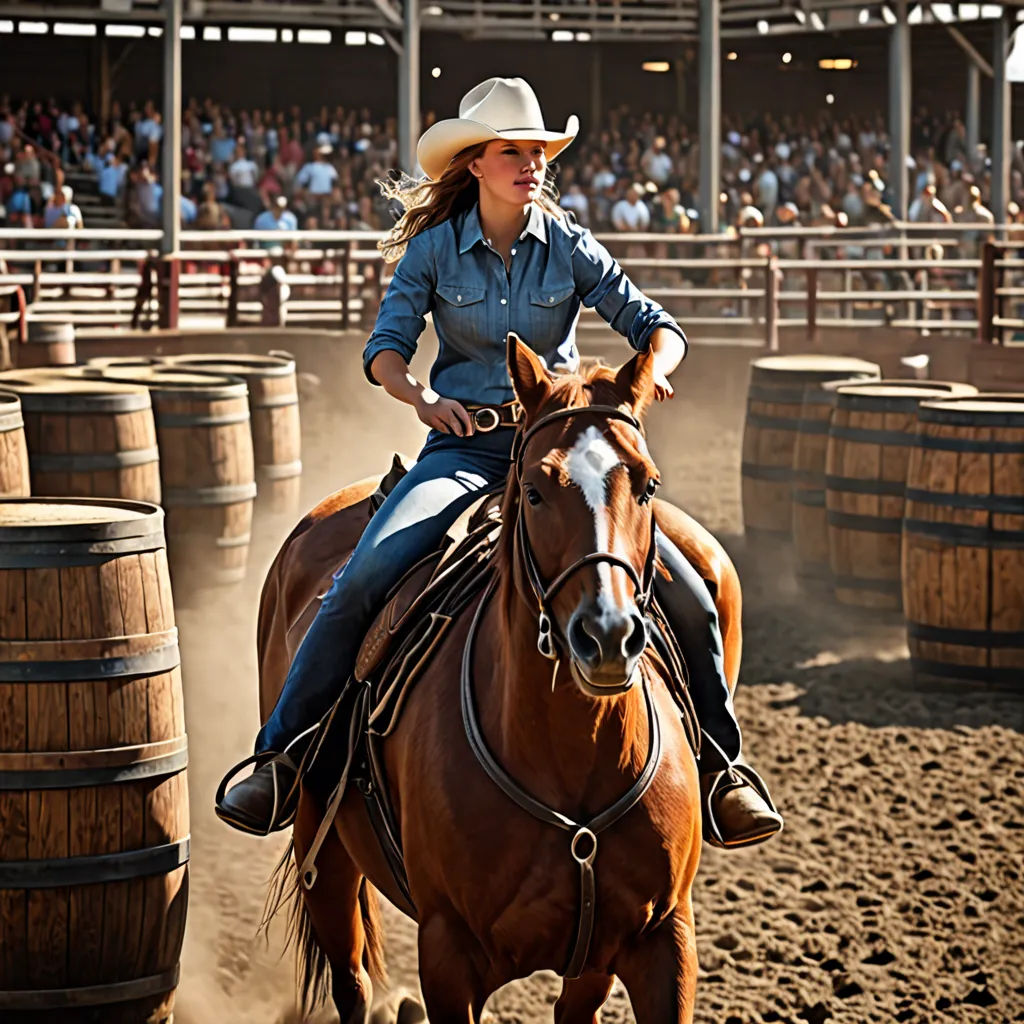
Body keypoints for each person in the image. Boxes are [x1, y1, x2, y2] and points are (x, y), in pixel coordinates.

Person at [215, 76, 783, 850]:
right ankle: (281, 756)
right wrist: (419, 398)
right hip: (465, 450)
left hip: (562, 455)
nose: (532, 164)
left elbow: (656, 323)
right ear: (475, 163)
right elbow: (385, 349)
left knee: (694, 595)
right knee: (363, 580)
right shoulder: (434, 249)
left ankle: (723, 772)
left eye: (540, 150)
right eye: (514, 151)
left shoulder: (571, 244)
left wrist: (651, 368)